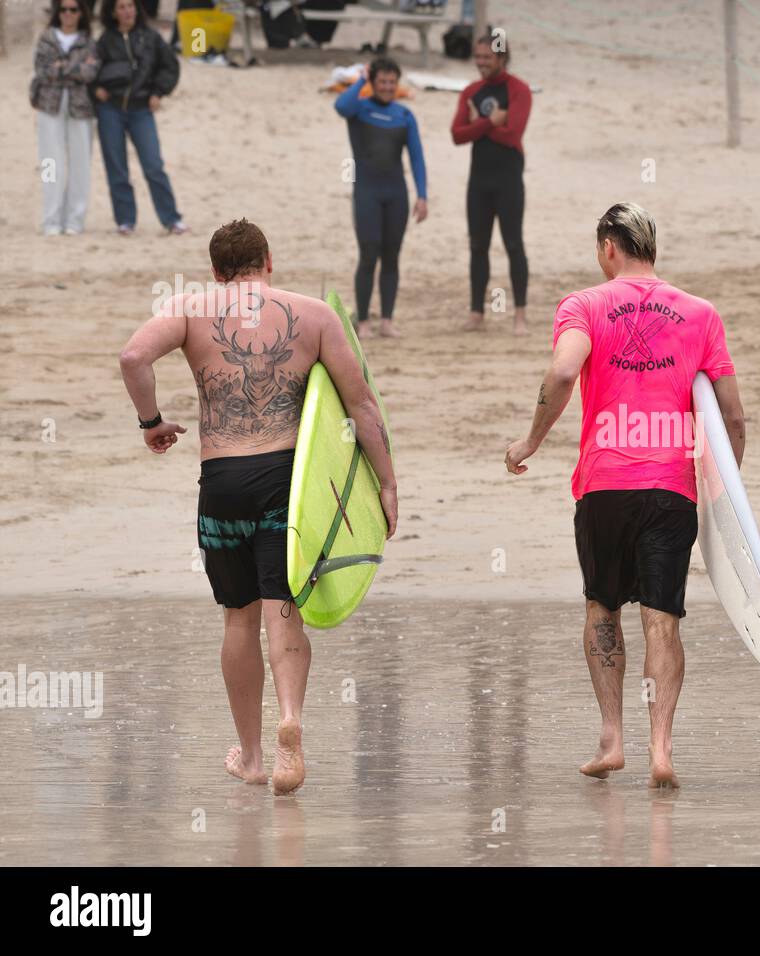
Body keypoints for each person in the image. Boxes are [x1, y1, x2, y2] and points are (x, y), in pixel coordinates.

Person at [118, 219, 398, 795]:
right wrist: (386, 485)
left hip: (221, 480)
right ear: (269, 261)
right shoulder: (313, 315)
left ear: (216, 271)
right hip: (284, 481)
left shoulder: (191, 308)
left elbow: (132, 358)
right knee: (283, 607)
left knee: (238, 616)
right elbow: (361, 406)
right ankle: (290, 720)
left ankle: (249, 755)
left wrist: (151, 423)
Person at [505, 203, 745, 788]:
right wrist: (722, 496)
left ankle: (611, 738)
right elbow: (732, 417)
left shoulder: (583, 305)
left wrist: (530, 440)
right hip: (670, 489)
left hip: (605, 485)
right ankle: (660, 748)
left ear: (608, 248)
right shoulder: (701, 313)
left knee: (602, 608)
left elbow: (563, 374)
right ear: (651, 249)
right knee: (664, 620)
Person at [336, 58, 428, 339]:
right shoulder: (359, 109)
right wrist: (361, 79)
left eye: (392, 82)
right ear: (374, 83)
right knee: (368, 254)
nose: (388, 87)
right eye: (383, 82)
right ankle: (363, 322)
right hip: (367, 193)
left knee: (391, 256)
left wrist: (422, 194)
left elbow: (416, 157)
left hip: (396, 194)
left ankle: (387, 321)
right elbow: (340, 106)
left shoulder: (404, 115)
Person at [451, 30, 531, 335]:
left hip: (508, 179)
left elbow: (513, 135)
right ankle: (476, 314)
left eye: (487, 57)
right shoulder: (471, 90)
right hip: (479, 181)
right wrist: (489, 122)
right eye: (478, 57)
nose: (481, 63)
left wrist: (477, 125)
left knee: (513, 244)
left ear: (502, 57)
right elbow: (457, 135)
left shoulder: (519, 90)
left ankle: (519, 314)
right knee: (477, 246)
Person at [93, 0, 187, 235]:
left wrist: (158, 92)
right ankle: (125, 221)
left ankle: (171, 218)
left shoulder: (151, 37)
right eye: (122, 7)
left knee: (153, 165)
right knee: (117, 168)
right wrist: (96, 89)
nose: (127, 11)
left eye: (131, 6)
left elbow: (170, 67)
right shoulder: (105, 41)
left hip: (141, 110)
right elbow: (90, 71)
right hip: (110, 110)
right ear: (113, 12)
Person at [31, 0, 99, 236]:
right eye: (64, 9)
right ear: (57, 12)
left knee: (80, 165)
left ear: (81, 13)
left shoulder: (88, 41)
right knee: (50, 164)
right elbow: (42, 70)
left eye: (73, 9)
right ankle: (51, 219)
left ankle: (74, 221)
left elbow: (91, 73)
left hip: (80, 109)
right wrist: (75, 68)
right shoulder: (46, 38)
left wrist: (60, 68)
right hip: (50, 108)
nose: (68, 14)